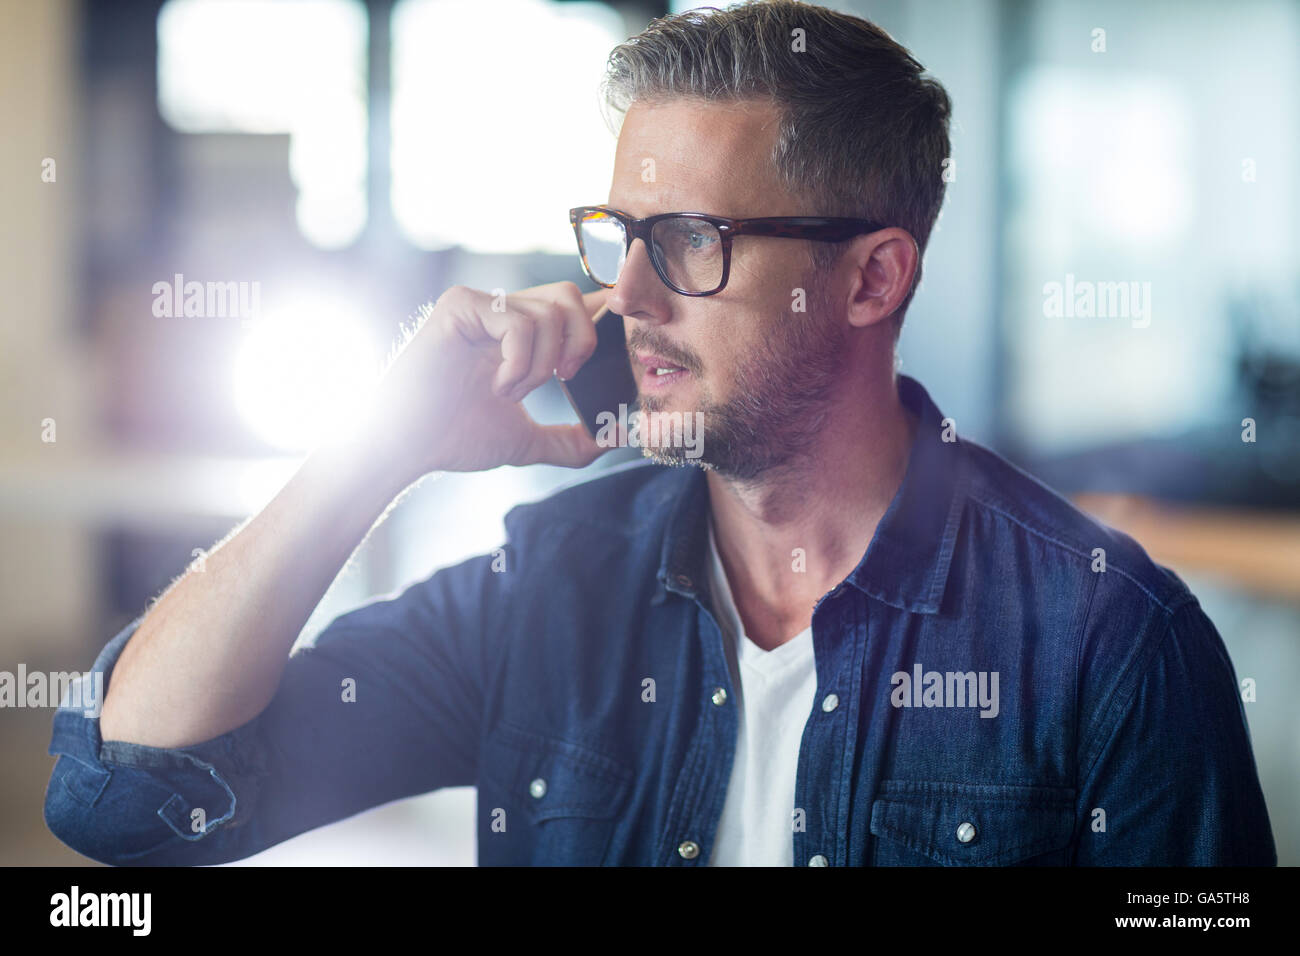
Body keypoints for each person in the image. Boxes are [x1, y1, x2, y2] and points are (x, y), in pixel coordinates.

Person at [45, 0, 1274, 866]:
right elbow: (126, 798)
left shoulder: (1108, 642)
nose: (625, 295)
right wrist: (379, 445)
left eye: (689, 240)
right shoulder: (551, 588)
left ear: (870, 278)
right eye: (617, 235)